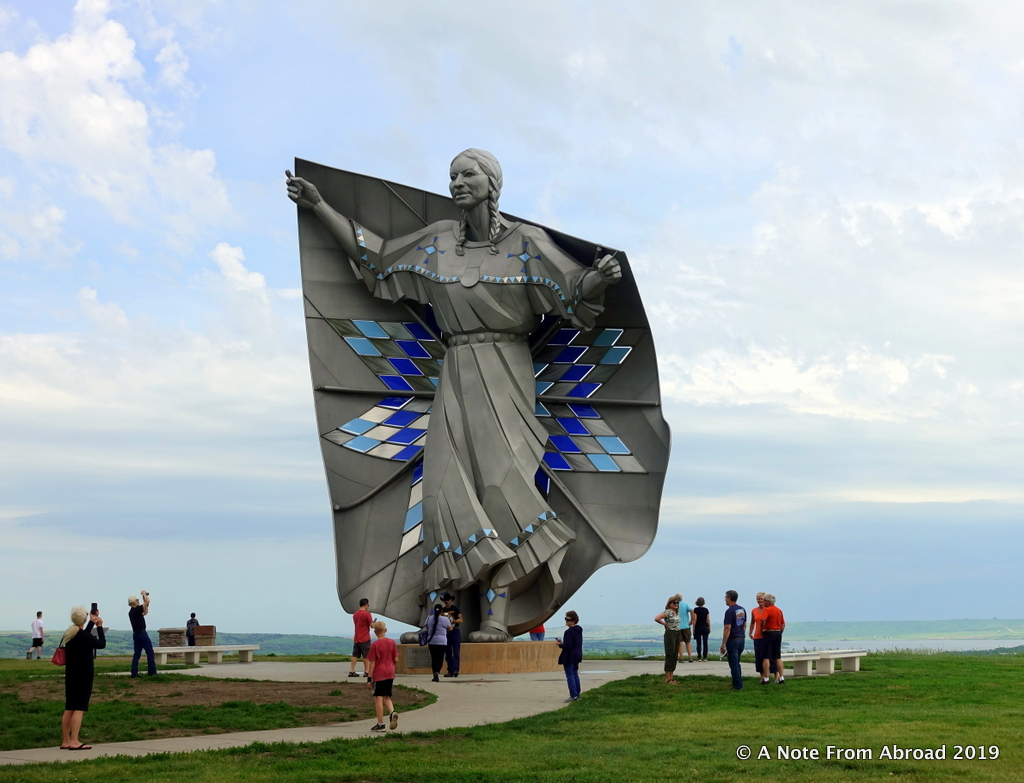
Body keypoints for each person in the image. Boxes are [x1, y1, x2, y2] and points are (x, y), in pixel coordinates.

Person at [287, 151, 621, 641]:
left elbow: (571, 290)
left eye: (468, 174)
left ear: (492, 183)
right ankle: (439, 619)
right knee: (443, 490)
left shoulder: (526, 243)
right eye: (452, 176)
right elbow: (376, 260)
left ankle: (496, 618)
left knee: (502, 489)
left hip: (506, 369)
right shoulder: (438, 241)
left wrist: (599, 277)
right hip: (455, 367)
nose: (457, 182)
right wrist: (320, 207)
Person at [60, 605, 106, 750]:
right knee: (79, 708)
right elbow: (101, 644)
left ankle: (66, 740)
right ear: (84, 619)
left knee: (70, 707)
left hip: (71, 674)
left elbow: (83, 635)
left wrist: (92, 621)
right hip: (84, 675)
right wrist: (99, 626)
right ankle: (75, 741)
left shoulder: (70, 634)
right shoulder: (85, 637)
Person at [365, 620, 399, 732]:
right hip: (390, 672)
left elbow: (372, 663)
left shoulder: (375, 645)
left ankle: (380, 723)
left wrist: (369, 678)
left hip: (379, 673)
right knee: (386, 696)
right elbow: (396, 659)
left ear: (375, 632)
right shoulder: (392, 642)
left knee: (378, 698)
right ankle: (392, 712)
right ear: (385, 630)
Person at [719, 590, 746, 690]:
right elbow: (744, 625)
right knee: (737, 662)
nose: (725, 600)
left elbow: (727, 628)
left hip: (733, 639)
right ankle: (738, 682)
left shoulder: (729, 611)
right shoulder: (742, 610)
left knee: (733, 663)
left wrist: (723, 644)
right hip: (741, 638)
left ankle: (737, 685)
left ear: (729, 598)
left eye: (726, 597)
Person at [654, 594, 683, 684]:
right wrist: (665, 624)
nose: (676, 604)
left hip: (677, 633)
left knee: (674, 654)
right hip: (670, 633)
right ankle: (667, 678)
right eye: (674, 603)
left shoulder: (676, 612)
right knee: (670, 654)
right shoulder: (668, 612)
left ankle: (672, 677)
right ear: (670, 604)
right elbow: (657, 618)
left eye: (677, 603)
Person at [556, 610, 583, 702]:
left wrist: (560, 645)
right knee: (575, 673)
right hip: (577, 655)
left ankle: (573, 695)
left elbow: (567, 646)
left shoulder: (568, 632)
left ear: (573, 621)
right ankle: (577, 694)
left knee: (570, 675)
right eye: (566, 619)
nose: (566, 621)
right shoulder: (578, 630)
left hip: (569, 656)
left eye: (568, 619)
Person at [128, 591, 157, 677]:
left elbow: (145, 611)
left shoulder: (132, 612)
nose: (138, 601)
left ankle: (134, 672)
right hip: (142, 634)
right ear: (133, 602)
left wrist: (144, 600)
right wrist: (144, 594)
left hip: (136, 635)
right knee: (149, 651)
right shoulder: (136, 610)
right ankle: (152, 671)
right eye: (137, 600)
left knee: (137, 653)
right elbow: (147, 601)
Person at [750, 592, 776, 684]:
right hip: (757, 636)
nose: (760, 601)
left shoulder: (768, 610)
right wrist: (750, 632)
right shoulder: (754, 610)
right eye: (758, 599)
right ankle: (762, 675)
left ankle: (774, 674)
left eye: (762, 599)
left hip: (767, 635)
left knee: (770, 656)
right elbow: (752, 622)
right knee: (759, 657)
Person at [760, 593, 786, 684]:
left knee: (766, 656)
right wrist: (780, 632)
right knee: (777, 656)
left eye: (764, 600)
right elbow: (783, 624)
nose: (763, 602)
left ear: (768, 602)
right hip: (778, 632)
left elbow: (763, 620)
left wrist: (762, 629)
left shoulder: (767, 610)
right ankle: (781, 677)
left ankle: (766, 678)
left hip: (769, 632)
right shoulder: (779, 610)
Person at [424, 604, 451, 682]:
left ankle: (434, 673)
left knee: (434, 658)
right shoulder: (444, 619)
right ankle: (437, 671)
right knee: (440, 658)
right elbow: (449, 628)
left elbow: (426, 627)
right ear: (441, 611)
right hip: (441, 642)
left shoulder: (429, 618)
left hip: (431, 641)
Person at [349, 598, 374, 677]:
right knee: (366, 655)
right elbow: (372, 625)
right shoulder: (367, 614)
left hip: (357, 637)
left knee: (355, 655)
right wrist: (374, 623)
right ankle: (366, 671)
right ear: (366, 605)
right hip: (365, 637)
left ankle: (352, 671)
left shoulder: (355, 614)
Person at [441, 593, 462, 678]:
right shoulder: (443, 610)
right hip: (446, 632)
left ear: (451, 600)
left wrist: (453, 621)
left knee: (456, 651)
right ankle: (450, 670)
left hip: (455, 631)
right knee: (448, 652)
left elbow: (461, 619)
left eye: (448, 600)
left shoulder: (455, 609)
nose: (447, 601)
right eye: (445, 600)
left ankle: (456, 670)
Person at [677, 595, 696, 663]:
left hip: (678, 626)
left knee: (680, 643)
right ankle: (690, 656)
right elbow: (692, 611)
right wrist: (692, 620)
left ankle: (681, 657)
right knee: (688, 642)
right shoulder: (685, 605)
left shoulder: (675, 605)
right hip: (686, 626)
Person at [692, 597, 710, 662]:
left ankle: (699, 657)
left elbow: (695, 619)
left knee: (698, 642)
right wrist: (709, 627)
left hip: (698, 627)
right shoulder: (706, 610)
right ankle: (705, 657)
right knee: (705, 642)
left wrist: (693, 628)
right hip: (705, 626)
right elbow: (708, 619)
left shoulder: (695, 610)